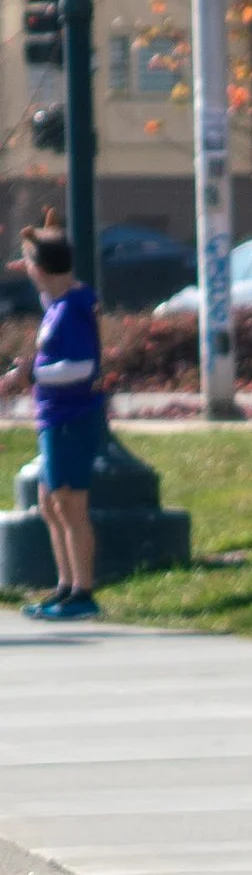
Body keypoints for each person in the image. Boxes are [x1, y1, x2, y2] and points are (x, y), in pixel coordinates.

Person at [5, 221, 104, 621]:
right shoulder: (59, 304)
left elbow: (81, 368)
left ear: (41, 269)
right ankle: (65, 586)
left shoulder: (72, 310)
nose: (26, 271)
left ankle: (83, 591)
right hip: (53, 417)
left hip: (72, 418)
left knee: (70, 504)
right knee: (50, 502)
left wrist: (32, 376)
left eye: (29, 265)